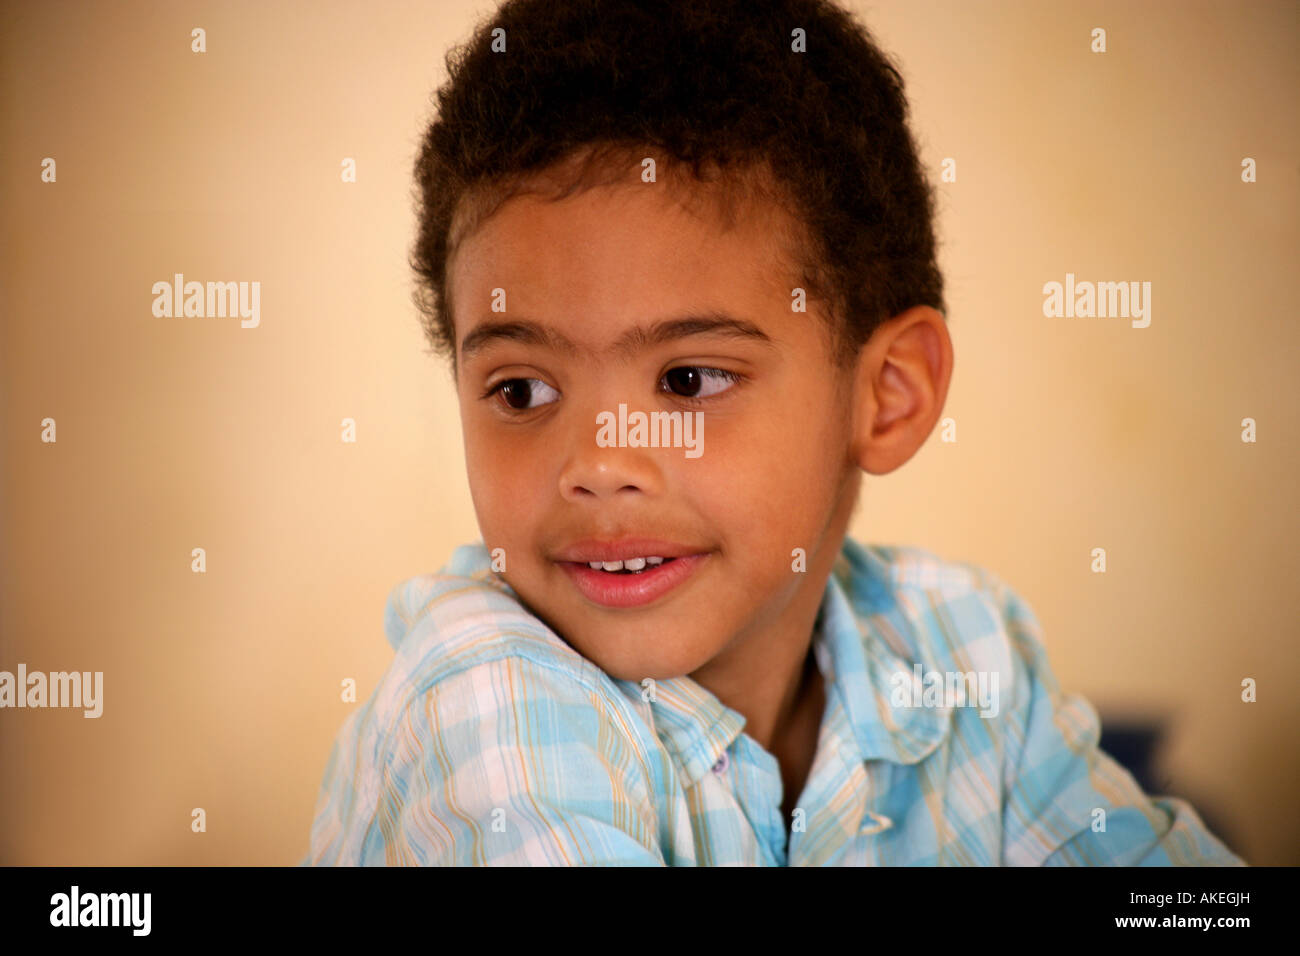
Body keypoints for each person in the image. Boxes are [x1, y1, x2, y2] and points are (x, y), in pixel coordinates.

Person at [304, 0, 1244, 865]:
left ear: (889, 395)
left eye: (689, 379)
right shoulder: (484, 704)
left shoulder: (957, 649)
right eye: (521, 392)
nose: (595, 464)